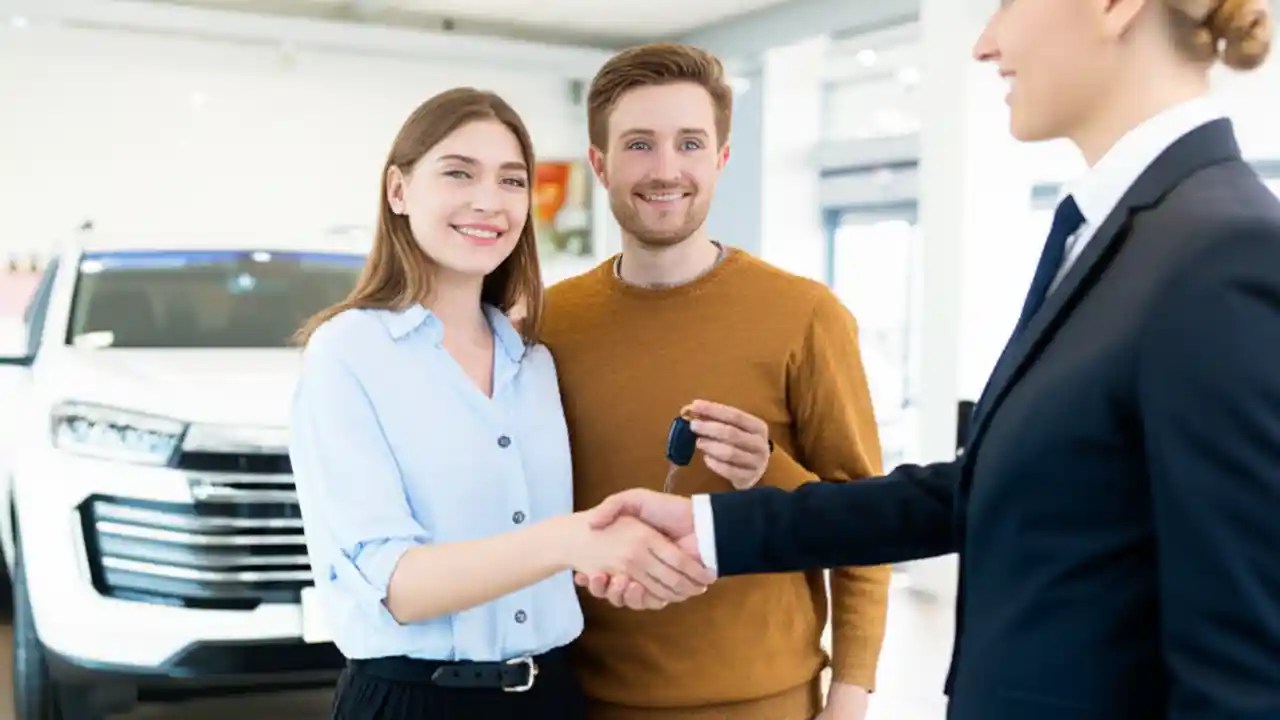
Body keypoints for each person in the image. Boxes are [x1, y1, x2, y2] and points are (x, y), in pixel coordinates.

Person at [579, 1, 1280, 719]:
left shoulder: (1222, 252)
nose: (985, 41)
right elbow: (971, 491)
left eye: (1008, 3)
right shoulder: (1115, 236)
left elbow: (1244, 670)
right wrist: (709, 525)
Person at [287, 87, 714, 720]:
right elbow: (395, 585)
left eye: (512, 181)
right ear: (398, 191)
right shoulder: (348, 353)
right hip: (415, 702)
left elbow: (536, 553)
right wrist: (570, 542)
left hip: (553, 696)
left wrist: (620, 565)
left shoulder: (533, 364)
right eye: (459, 173)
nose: (489, 201)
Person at [541, 43, 891, 720]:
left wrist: (850, 693)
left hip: (765, 703)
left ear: (721, 159)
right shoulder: (548, 323)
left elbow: (866, 516)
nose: (666, 169)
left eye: (690, 143)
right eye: (639, 144)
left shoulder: (806, 316)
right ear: (600, 163)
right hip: (582, 700)